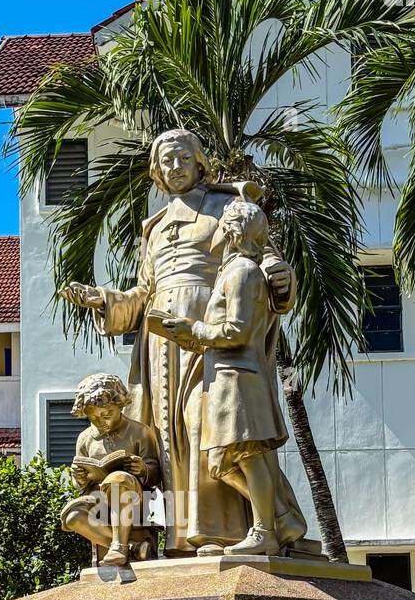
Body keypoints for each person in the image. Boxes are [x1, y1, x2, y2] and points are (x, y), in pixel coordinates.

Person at [60, 128, 307, 556]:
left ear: (199, 161)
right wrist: (104, 299)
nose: (175, 167)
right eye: (166, 161)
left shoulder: (228, 204)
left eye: (182, 158)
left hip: (209, 331)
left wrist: (280, 276)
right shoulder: (152, 228)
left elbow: (260, 252)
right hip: (160, 340)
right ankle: (183, 538)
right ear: (157, 170)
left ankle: (234, 529)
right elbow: (143, 293)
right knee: (168, 436)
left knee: (211, 427)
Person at [150, 200, 304, 556]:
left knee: (247, 455)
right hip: (221, 375)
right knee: (221, 461)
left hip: (236, 376)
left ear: (232, 231)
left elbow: (237, 330)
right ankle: (280, 519)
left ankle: (266, 529)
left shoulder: (243, 272)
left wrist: (194, 329)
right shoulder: (232, 269)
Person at [60, 373, 159, 567]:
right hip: (97, 499)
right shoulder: (85, 438)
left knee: (117, 479)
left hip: (132, 500)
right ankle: (132, 548)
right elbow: (80, 481)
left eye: (107, 415)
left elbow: (157, 474)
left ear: (120, 405)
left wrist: (143, 469)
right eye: (94, 418)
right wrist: (79, 477)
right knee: (73, 517)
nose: (101, 422)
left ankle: (120, 546)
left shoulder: (139, 432)